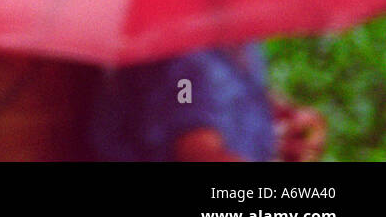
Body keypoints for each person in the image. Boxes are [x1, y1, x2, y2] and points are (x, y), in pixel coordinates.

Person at [86, 43, 326, 161]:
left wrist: (284, 115)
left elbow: (237, 90)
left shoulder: (240, 39)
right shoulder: (186, 57)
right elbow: (197, 152)